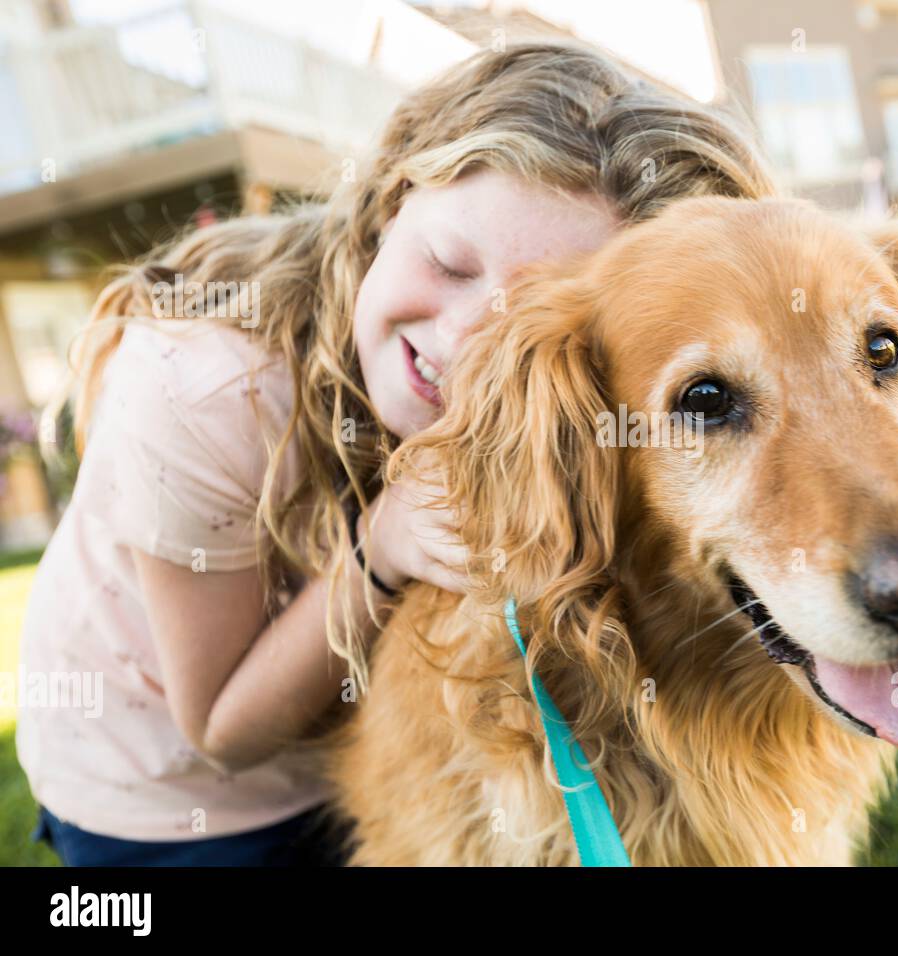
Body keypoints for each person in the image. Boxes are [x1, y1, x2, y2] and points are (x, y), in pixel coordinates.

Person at [16, 40, 775, 866]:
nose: (457, 341)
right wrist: (384, 544)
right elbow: (219, 730)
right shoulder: (203, 387)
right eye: (448, 262)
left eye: (529, 327)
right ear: (390, 203)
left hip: (369, 751)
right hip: (180, 801)